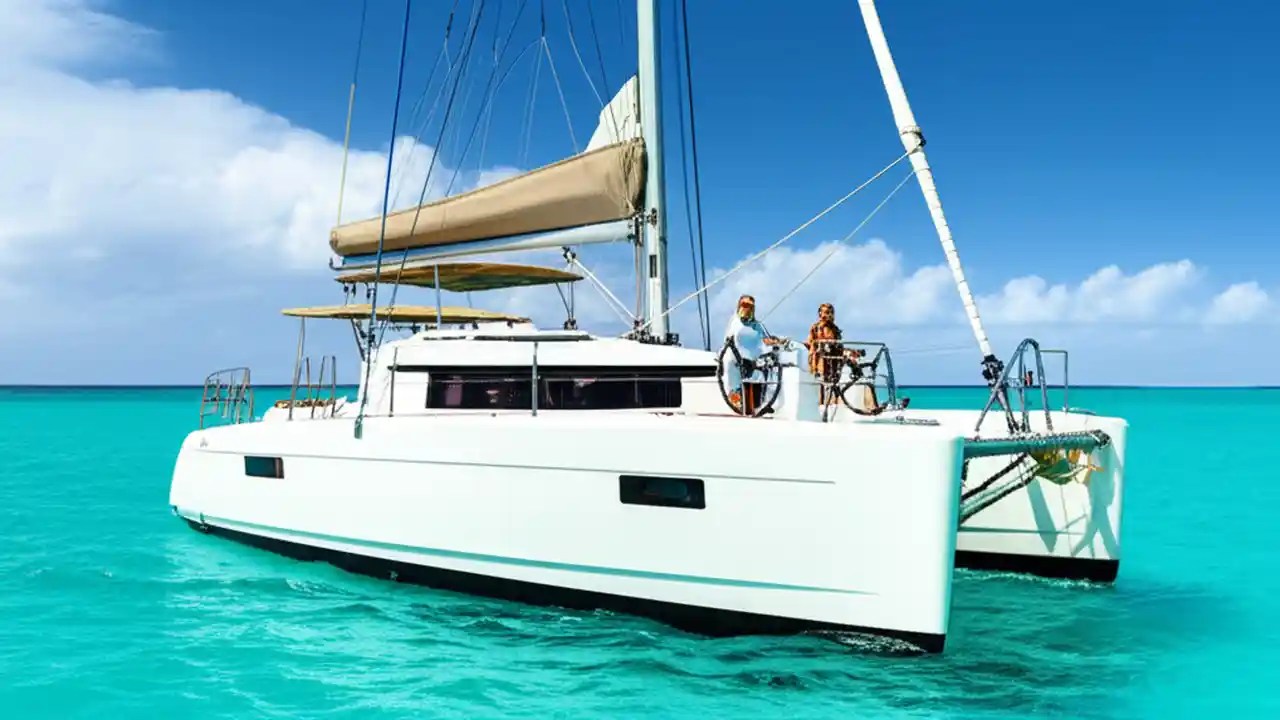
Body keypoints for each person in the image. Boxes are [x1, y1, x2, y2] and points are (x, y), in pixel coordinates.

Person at [723, 294, 783, 414]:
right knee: (736, 388)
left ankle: (759, 405)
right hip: (736, 362)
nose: (747, 308)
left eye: (750, 306)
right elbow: (728, 341)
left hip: (754, 362)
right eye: (744, 305)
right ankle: (739, 404)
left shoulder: (758, 326)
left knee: (760, 382)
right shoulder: (735, 323)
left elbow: (767, 339)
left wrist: (779, 342)